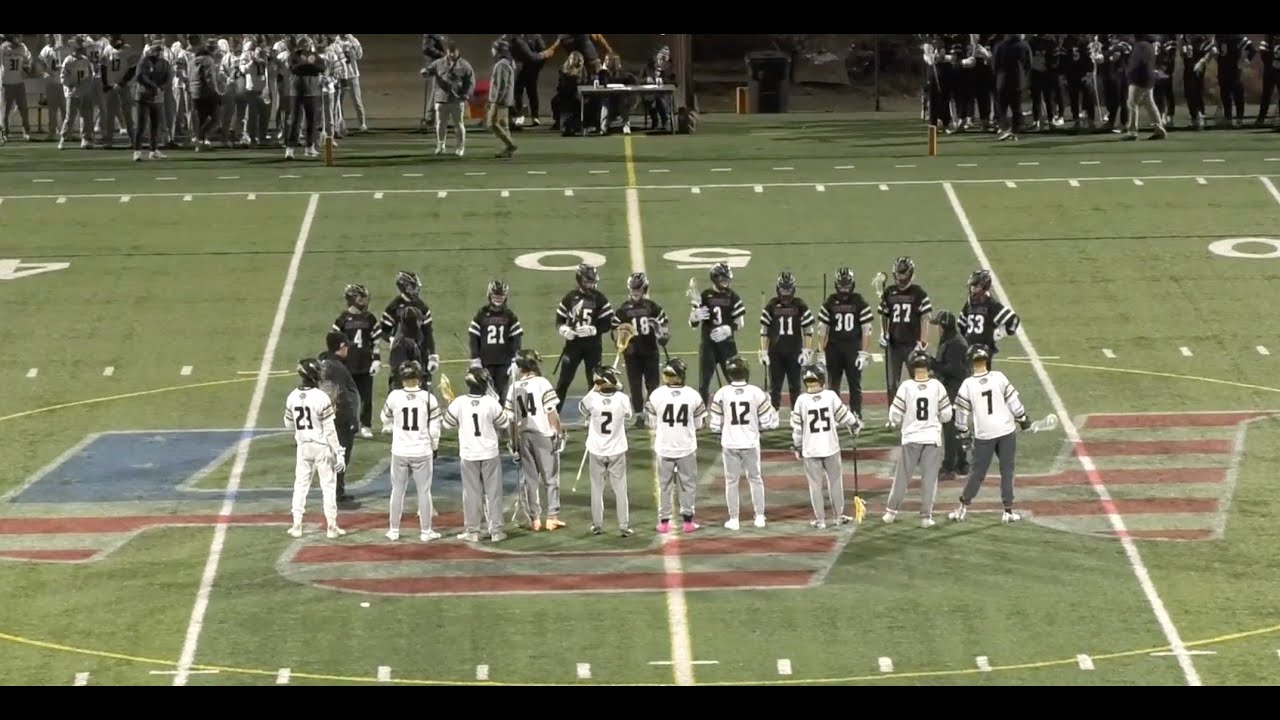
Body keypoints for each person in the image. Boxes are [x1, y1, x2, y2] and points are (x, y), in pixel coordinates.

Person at [948, 344, 1031, 524]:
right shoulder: (999, 377)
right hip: (1006, 431)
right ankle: (1008, 511)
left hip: (984, 435)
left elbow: (960, 417)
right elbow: (1014, 403)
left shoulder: (968, 384)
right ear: (987, 360)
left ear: (970, 362)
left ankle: (962, 509)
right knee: (1007, 471)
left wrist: (964, 434)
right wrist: (1023, 419)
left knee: (977, 474)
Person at [884, 350, 953, 528]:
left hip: (911, 438)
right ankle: (925, 517)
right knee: (929, 479)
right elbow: (946, 415)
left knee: (902, 477)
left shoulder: (906, 387)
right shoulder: (937, 386)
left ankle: (891, 512)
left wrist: (895, 422)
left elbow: (895, 415)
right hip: (931, 438)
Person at [709, 356, 778, 530]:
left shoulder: (722, 393)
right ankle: (760, 516)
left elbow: (715, 425)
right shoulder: (755, 392)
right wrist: (769, 406)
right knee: (755, 479)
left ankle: (734, 519)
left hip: (730, 443)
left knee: (731, 481)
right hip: (750, 442)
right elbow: (769, 423)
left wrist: (721, 433)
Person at [790, 363, 862, 529]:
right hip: (830, 447)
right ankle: (839, 516)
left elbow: (797, 429)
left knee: (815, 485)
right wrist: (855, 424)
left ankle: (820, 520)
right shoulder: (830, 396)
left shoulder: (801, 400)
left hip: (810, 449)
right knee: (835, 482)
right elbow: (846, 417)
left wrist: (797, 446)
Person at [444, 367, 511, 542]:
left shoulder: (459, 402)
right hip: (489, 452)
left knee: (471, 492)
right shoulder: (491, 402)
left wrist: (451, 404)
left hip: (468, 453)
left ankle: (472, 531)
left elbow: (447, 424)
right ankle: (496, 530)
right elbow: (503, 423)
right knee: (493, 492)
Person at [379, 361, 443, 542]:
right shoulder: (428, 398)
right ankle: (426, 531)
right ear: (419, 378)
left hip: (400, 450)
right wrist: (435, 446)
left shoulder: (394, 396)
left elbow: (384, 417)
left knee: (397, 491)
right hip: (422, 450)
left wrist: (393, 426)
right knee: (424, 491)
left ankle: (393, 530)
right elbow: (435, 428)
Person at [284, 357, 345, 539]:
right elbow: (329, 430)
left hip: (303, 446)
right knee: (328, 487)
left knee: (301, 486)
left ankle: (296, 526)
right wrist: (339, 453)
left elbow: (288, 424)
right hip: (322, 447)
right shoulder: (321, 397)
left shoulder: (292, 396)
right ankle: (332, 527)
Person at [645, 358, 707, 534]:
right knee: (687, 485)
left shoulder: (656, 394)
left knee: (664, 486)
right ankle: (688, 521)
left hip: (664, 447)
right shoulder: (692, 394)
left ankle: (664, 522)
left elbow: (651, 422)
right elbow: (699, 423)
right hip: (686, 447)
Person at [505, 350, 565, 531]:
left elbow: (512, 420)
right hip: (542, 435)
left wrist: (514, 443)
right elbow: (551, 411)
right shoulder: (542, 383)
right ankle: (552, 517)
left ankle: (535, 520)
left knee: (530, 479)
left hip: (523, 436)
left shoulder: (513, 386)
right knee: (551, 478)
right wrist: (559, 432)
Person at [579, 365, 633, 536]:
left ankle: (597, 524)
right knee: (620, 490)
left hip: (596, 450)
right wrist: (618, 387)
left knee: (596, 489)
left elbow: (582, 408)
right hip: (617, 450)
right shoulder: (622, 398)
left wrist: (594, 389)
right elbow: (629, 415)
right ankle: (623, 525)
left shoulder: (592, 399)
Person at [552, 263, 614, 412]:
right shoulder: (570, 298)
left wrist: (594, 329)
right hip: (573, 346)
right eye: (588, 281)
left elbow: (608, 322)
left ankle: (593, 414)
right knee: (563, 382)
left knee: (593, 382)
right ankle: (554, 415)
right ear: (580, 280)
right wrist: (564, 330)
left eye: (592, 281)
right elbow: (559, 320)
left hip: (593, 347)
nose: (591, 284)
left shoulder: (600, 299)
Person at [612, 271, 668, 428]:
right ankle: (638, 415)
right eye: (634, 289)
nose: (636, 292)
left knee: (653, 384)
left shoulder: (652, 307)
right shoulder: (623, 310)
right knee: (635, 385)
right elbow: (615, 330)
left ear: (644, 289)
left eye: (638, 289)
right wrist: (623, 343)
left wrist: (662, 336)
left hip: (650, 351)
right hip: (632, 354)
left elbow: (663, 326)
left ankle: (653, 412)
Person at [817, 267, 873, 415]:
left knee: (854, 384)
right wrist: (821, 351)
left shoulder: (859, 301)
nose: (844, 289)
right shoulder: (831, 301)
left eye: (846, 285)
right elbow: (823, 329)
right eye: (842, 285)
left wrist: (864, 352)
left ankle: (856, 414)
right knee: (833, 385)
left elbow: (866, 329)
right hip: (834, 348)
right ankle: (834, 414)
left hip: (852, 348)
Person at [689, 262, 746, 403]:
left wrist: (728, 329)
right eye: (723, 278)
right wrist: (694, 316)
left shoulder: (733, 297)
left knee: (735, 379)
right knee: (704, 383)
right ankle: (701, 415)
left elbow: (740, 323)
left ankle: (737, 408)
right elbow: (694, 324)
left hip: (727, 345)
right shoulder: (705, 296)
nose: (726, 281)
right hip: (708, 345)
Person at [878, 256, 932, 403]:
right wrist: (883, 333)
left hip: (912, 345)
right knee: (891, 384)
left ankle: (917, 412)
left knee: (918, 380)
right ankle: (893, 414)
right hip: (893, 345)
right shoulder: (889, 292)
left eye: (903, 273)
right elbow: (884, 315)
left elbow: (925, 317)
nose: (901, 277)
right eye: (899, 273)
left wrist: (923, 340)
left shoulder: (918, 293)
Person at [759, 270, 816, 411]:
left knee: (795, 386)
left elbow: (808, 329)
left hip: (794, 351)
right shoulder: (772, 305)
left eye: (788, 289)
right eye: (783, 289)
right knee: (775, 386)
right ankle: (773, 412)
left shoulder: (800, 305)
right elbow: (764, 331)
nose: (785, 293)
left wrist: (806, 350)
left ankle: (795, 413)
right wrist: (764, 351)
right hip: (775, 351)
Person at [332, 284, 381, 438]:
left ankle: (366, 425)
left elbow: (376, 341)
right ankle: (347, 424)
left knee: (366, 397)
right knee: (345, 398)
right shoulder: (342, 319)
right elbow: (334, 342)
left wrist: (376, 360)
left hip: (365, 363)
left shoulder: (370, 318)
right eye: (361, 297)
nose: (364, 301)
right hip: (347, 364)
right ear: (352, 299)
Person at [319, 331, 361, 504]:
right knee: (340, 455)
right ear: (340, 347)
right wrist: (352, 420)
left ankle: (337, 491)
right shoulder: (336, 367)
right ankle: (335, 494)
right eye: (346, 346)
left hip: (332, 418)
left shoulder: (328, 364)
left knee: (336, 456)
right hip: (340, 419)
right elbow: (341, 395)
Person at [929, 310, 969, 481]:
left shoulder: (956, 344)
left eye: (938, 325)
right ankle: (962, 464)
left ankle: (948, 467)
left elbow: (954, 370)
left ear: (944, 326)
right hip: (951, 388)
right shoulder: (950, 339)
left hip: (955, 389)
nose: (936, 328)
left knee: (950, 429)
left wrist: (932, 363)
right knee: (955, 428)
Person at [468, 279, 523, 401]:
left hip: (504, 363)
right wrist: (475, 358)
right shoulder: (481, 314)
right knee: (484, 394)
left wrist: (516, 359)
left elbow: (516, 339)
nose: (498, 298)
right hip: (485, 362)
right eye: (495, 296)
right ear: (489, 295)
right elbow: (473, 336)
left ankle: (500, 419)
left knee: (501, 395)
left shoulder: (510, 316)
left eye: (501, 296)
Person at [379, 270, 438, 382]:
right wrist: (391, 339)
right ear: (404, 287)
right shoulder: (394, 307)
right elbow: (383, 330)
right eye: (413, 286)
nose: (416, 289)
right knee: (399, 385)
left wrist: (433, 356)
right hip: (401, 353)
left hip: (421, 351)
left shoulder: (422, 306)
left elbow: (428, 332)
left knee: (423, 388)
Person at [958, 269, 1018, 368]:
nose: (972, 290)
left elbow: (1013, 321)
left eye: (976, 287)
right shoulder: (969, 304)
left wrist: (997, 334)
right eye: (972, 286)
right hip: (969, 350)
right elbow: (961, 323)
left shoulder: (991, 305)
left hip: (984, 350)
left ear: (984, 287)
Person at [425, 41, 474, 156]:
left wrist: (466, 93)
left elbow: (470, 81)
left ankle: (460, 147)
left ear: (458, 52)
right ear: (447, 52)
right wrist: (425, 72)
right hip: (441, 98)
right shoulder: (439, 63)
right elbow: (430, 70)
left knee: (458, 124)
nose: (451, 55)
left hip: (456, 99)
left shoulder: (464, 65)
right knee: (441, 124)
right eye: (449, 52)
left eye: (453, 53)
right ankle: (441, 145)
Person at [486, 39, 518, 158]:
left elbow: (501, 85)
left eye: (493, 48)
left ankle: (510, 144)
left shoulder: (502, 64)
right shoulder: (508, 62)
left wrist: (495, 101)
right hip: (505, 99)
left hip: (499, 100)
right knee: (503, 124)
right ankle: (508, 149)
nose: (492, 50)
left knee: (491, 123)